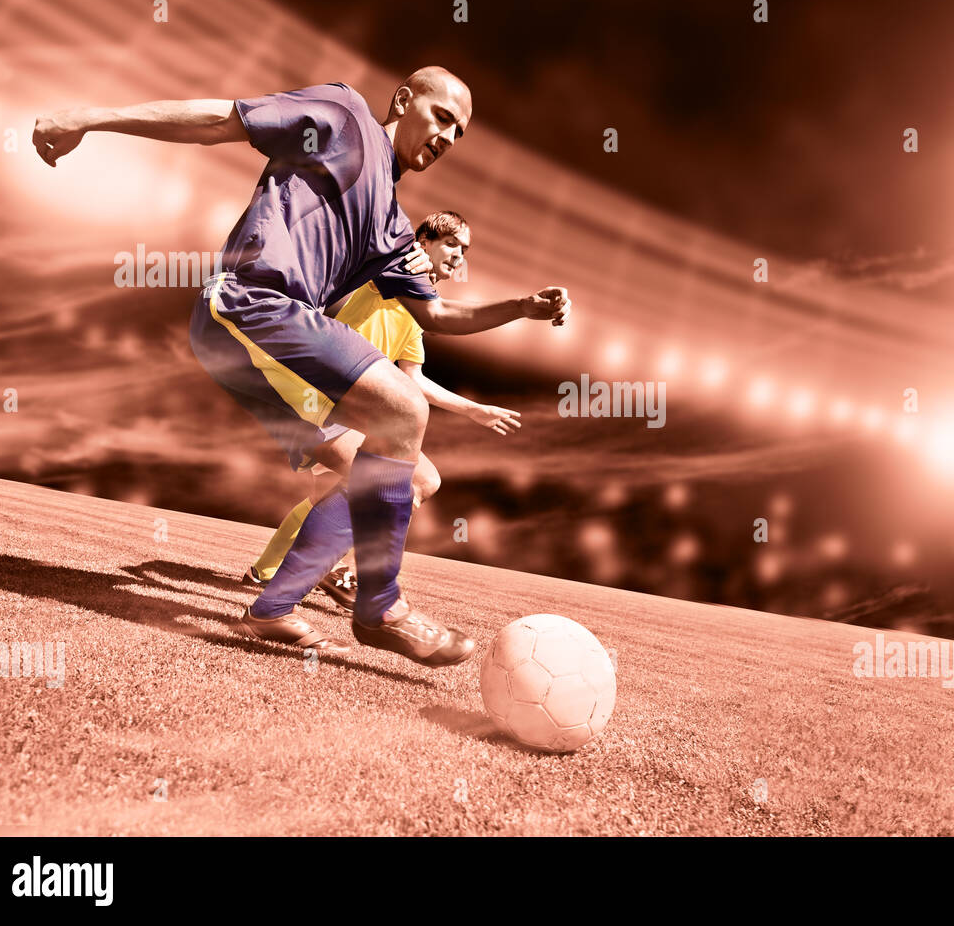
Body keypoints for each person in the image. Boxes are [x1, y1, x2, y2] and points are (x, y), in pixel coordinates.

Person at [33, 68, 569, 666]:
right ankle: (378, 605)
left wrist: (520, 307)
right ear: (402, 101)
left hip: (261, 332)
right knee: (403, 410)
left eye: (459, 133)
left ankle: (276, 607)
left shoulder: (389, 221)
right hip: (249, 301)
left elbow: (438, 314)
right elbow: (221, 120)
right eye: (442, 117)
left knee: (402, 458)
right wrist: (88, 116)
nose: (447, 136)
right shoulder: (344, 115)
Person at [245, 209, 519, 612]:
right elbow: (384, 255)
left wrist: (473, 410)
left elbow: (414, 380)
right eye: (451, 244)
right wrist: (406, 253)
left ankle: (266, 573)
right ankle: (349, 572)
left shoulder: (415, 313)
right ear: (424, 242)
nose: (459, 255)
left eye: (465, 250)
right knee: (415, 480)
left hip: (345, 409)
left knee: (327, 500)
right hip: (325, 404)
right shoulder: (393, 272)